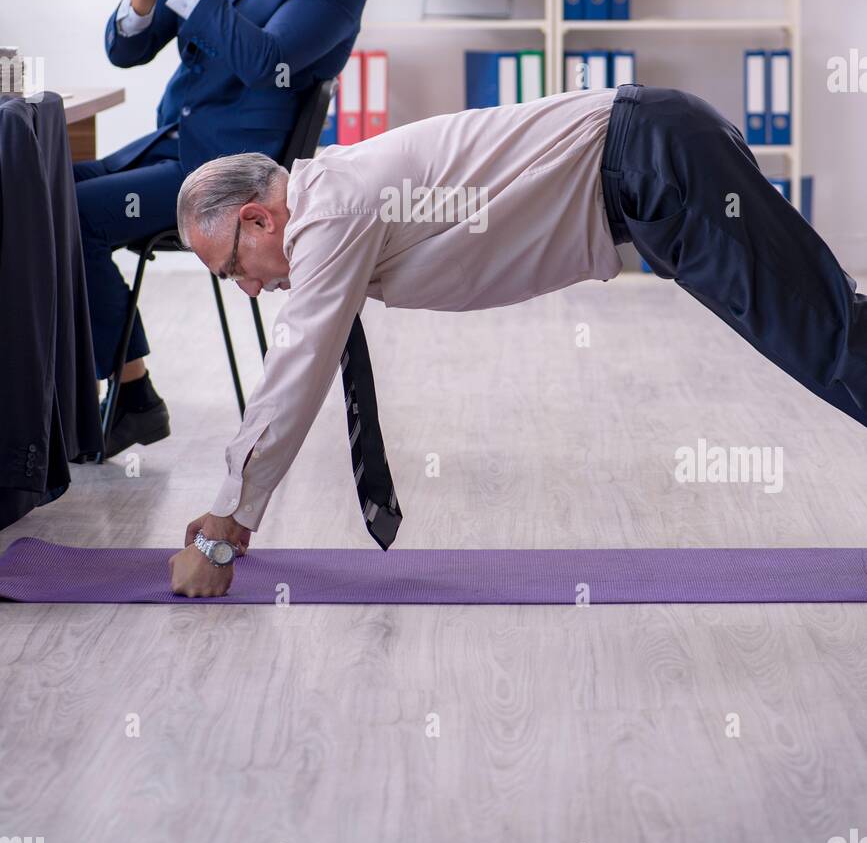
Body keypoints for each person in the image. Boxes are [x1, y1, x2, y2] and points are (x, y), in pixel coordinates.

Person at [167, 82, 867, 597]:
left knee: (822, 336)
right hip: (651, 168)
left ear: (259, 219)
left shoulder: (329, 213)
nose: (248, 288)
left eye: (231, 268)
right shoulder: (333, 203)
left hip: (656, 160)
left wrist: (223, 524)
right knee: (824, 331)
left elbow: (296, 370)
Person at [76, 0, 372, 457]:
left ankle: (131, 397)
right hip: (169, 149)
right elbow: (126, 51)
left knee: (68, 216)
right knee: (29, 185)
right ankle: (61, 395)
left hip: (234, 177)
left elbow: (267, 64)